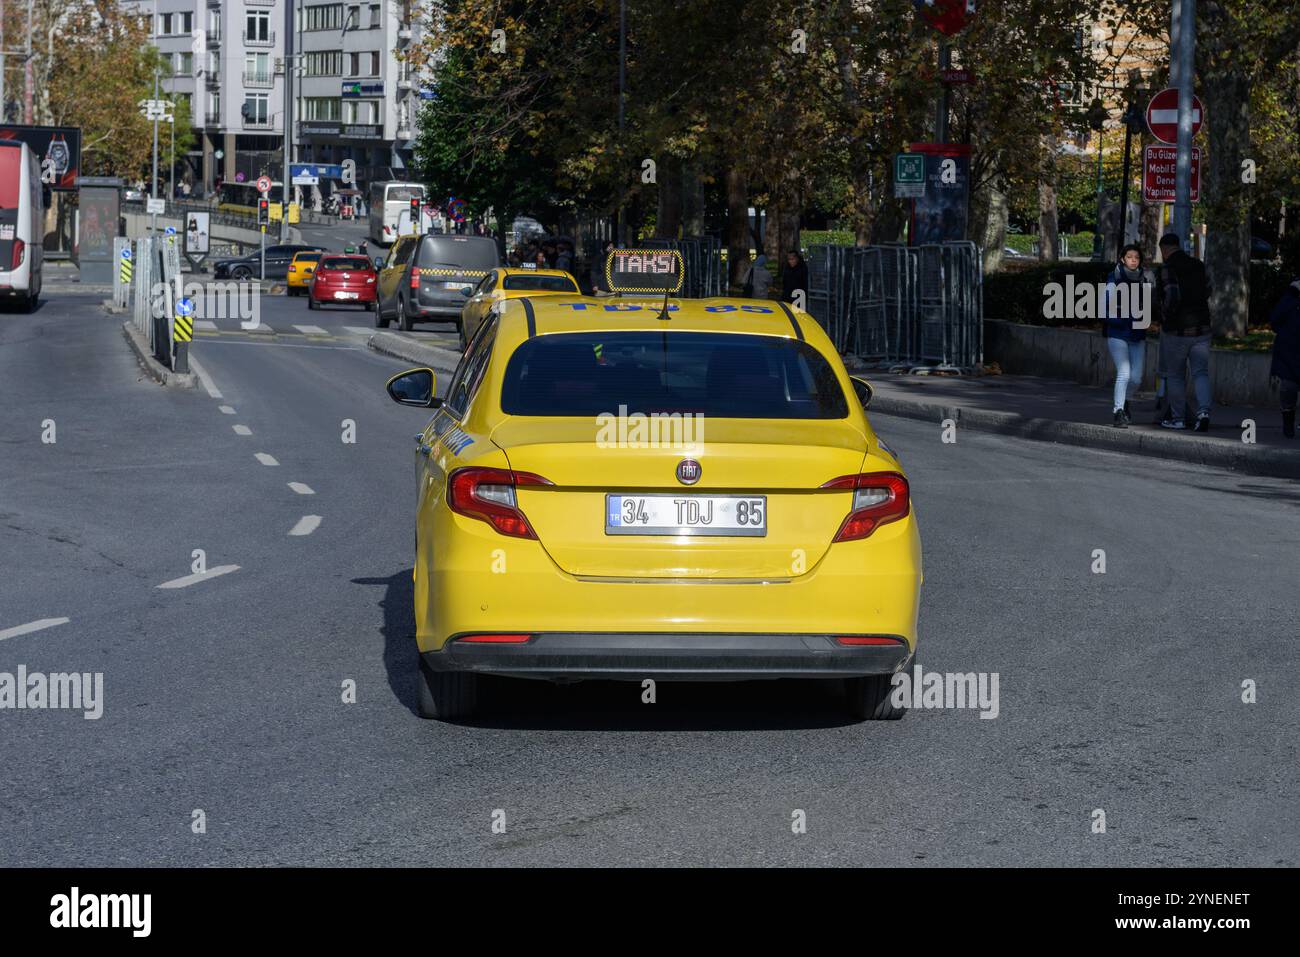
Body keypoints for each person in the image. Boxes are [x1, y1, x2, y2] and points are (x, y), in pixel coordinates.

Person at [1155, 233, 1213, 431]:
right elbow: (1208, 289)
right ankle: (1203, 412)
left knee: (1176, 376)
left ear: (1164, 249)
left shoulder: (1167, 268)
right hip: (1202, 328)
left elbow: (1171, 297)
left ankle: (1178, 419)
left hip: (1177, 331)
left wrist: (1164, 316)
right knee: (1200, 373)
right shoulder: (1198, 265)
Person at [1101, 244, 1153, 428]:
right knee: (1124, 373)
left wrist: (1144, 323)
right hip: (1118, 332)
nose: (1133, 260)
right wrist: (1120, 319)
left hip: (1137, 334)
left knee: (1137, 378)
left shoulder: (1145, 279)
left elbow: (1147, 307)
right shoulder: (1113, 278)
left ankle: (1126, 401)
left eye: (1136, 257)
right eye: (1129, 257)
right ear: (1122, 259)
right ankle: (1118, 411)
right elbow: (1103, 307)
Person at [1268, 277, 1300, 439]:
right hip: (1290, 352)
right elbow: (1274, 321)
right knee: (1289, 389)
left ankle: (1289, 425)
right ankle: (1288, 424)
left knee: (1288, 389)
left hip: (1289, 352)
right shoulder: (1290, 301)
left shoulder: (1289, 301)